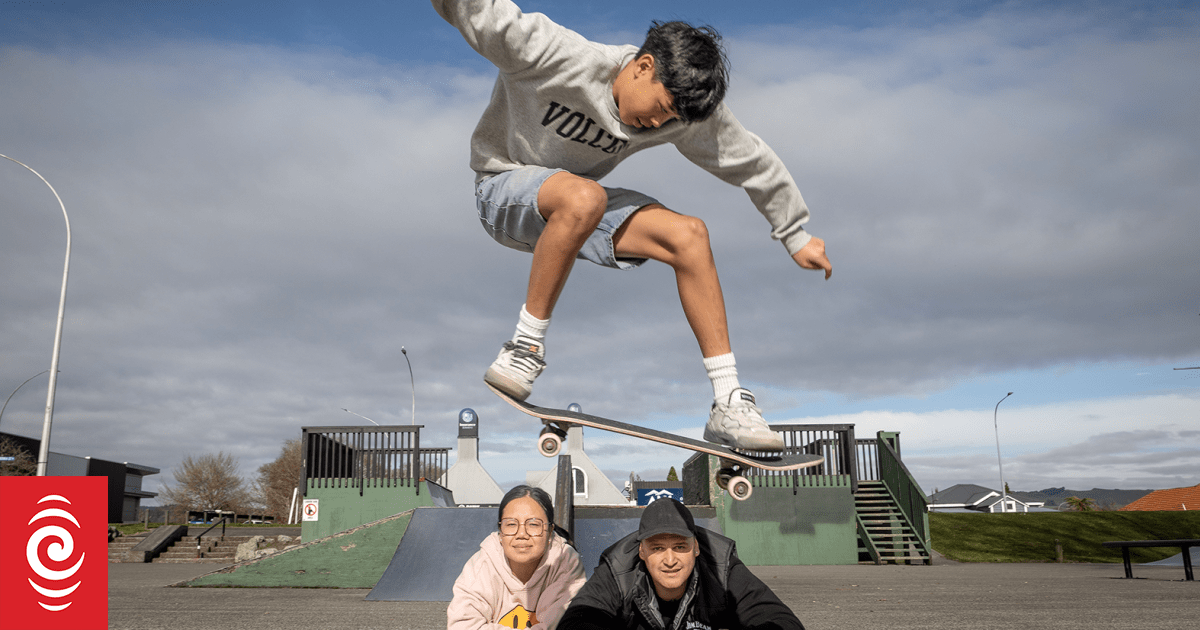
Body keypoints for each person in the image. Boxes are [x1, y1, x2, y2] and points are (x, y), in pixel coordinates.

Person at [432, 0, 833, 452]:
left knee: (689, 236)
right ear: (644, 66)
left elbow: (752, 160)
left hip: (574, 212)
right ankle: (525, 347)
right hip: (502, 192)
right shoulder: (553, 55)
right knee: (585, 196)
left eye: (670, 119)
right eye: (660, 108)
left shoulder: (678, 115)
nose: (658, 123)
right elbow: (478, 10)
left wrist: (795, 234)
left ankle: (728, 401)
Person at [558, 498, 804, 630]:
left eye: (679, 547)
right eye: (657, 548)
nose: (670, 560)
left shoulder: (721, 566)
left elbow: (781, 620)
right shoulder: (618, 569)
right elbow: (577, 620)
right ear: (641, 551)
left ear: (696, 547)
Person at [447, 485, 587, 630]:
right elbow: (462, 625)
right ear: (500, 533)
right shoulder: (482, 565)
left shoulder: (565, 562)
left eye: (533, 524)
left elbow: (567, 624)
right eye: (511, 524)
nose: (521, 534)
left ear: (550, 532)